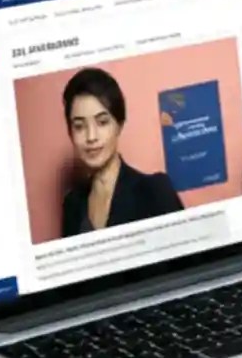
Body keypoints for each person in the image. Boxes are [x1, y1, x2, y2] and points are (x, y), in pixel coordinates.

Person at [60, 67, 184, 238]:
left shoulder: (155, 191)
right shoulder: (72, 205)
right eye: (79, 126)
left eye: (102, 122)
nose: (91, 136)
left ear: (119, 125)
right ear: (70, 132)